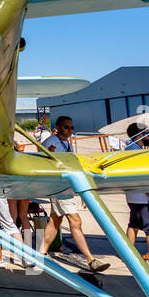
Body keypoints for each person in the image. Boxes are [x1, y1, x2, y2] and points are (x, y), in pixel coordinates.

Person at [40, 116, 110, 272]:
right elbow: (53, 165)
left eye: (72, 128)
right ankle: (90, 260)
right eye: (67, 127)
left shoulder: (65, 142)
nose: (70, 131)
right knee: (75, 221)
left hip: (65, 188)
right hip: (60, 187)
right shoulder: (53, 143)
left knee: (55, 220)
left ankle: (41, 253)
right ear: (58, 127)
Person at [120, 123, 149, 267]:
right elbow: (140, 177)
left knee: (134, 225)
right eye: (146, 134)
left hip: (132, 196)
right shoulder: (136, 152)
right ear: (139, 136)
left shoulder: (128, 149)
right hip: (143, 197)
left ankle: (128, 255)